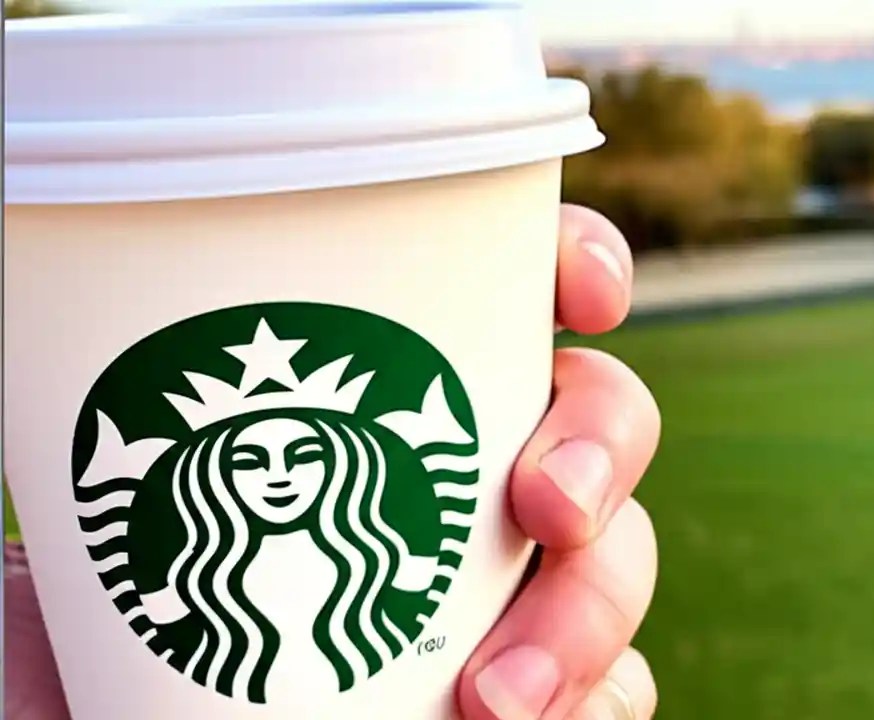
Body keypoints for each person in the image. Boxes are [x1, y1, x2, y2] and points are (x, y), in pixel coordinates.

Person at [4, 204, 662, 720]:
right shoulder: (192, 593)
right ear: (208, 477)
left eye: (305, 453)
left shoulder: (380, 576)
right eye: (249, 460)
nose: (279, 475)